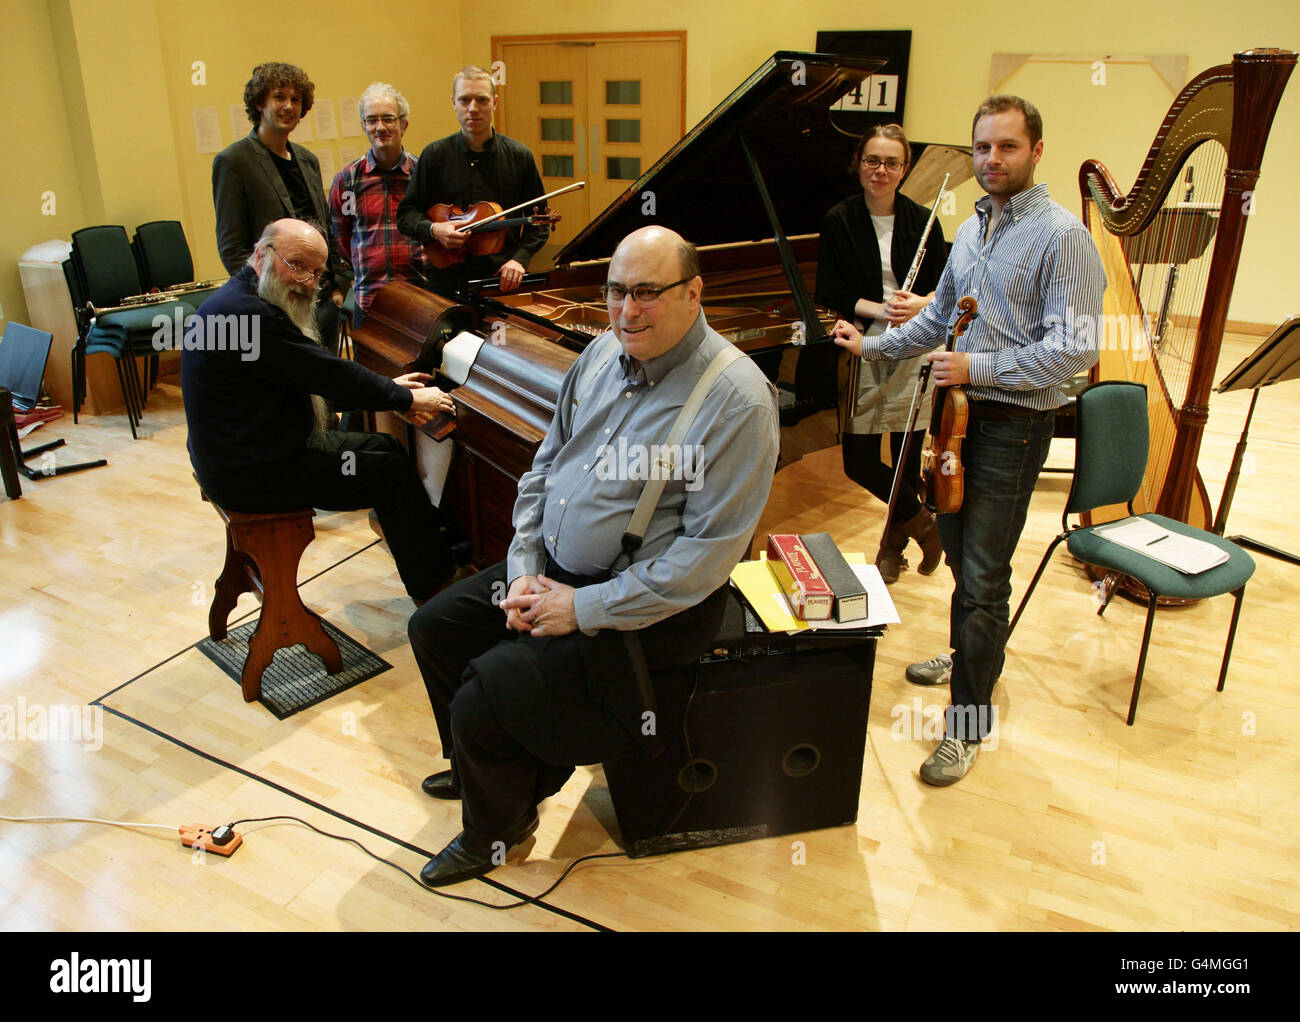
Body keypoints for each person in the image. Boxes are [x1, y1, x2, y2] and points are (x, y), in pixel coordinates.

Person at [407, 225, 780, 887]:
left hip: (648, 606)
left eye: (646, 293)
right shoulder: (603, 352)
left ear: (694, 294)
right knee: (435, 629)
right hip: (555, 572)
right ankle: (482, 771)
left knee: (485, 695)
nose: (626, 310)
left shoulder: (738, 401)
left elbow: (707, 558)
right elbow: (545, 464)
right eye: (615, 291)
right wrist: (524, 571)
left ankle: (500, 830)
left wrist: (583, 608)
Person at [831, 96, 1104, 786]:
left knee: (983, 576)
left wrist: (976, 366)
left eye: (1007, 147)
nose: (991, 160)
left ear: (1036, 151)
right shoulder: (975, 229)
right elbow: (940, 322)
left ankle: (970, 721)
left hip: (1012, 426)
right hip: (955, 418)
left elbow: (1075, 349)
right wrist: (873, 346)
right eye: (982, 148)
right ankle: (969, 650)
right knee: (957, 551)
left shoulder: (1061, 235)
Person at [183, 218, 466, 603]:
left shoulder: (237, 299)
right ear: (261, 254)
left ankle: (426, 549)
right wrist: (406, 399)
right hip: (254, 474)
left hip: (239, 455)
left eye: (316, 272)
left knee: (386, 449)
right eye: (297, 264)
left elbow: (308, 377)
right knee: (390, 474)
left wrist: (389, 390)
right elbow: (327, 374)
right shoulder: (251, 316)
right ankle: (435, 590)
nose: (307, 280)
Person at [815, 124, 947, 584]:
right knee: (861, 460)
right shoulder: (840, 219)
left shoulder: (923, 218)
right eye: (873, 160)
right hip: (865, 343)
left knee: (907, 458)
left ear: (905, 169)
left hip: (919, 341)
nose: (881, 170)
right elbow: (829, 288)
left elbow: (946, 290)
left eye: (892, 162)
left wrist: (920, 304)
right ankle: (926, 527)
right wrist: (881, 308)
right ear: (860, 163)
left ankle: (891, 551)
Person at [213, 62, 348, 352]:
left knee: (328, 388)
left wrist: (337, 286)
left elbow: (325, 227)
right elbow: (232, 247)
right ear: (260, 102)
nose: (289, 106)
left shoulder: (308, 160)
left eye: (296, 99)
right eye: (279, 97)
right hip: (273, 306)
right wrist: (263, 301)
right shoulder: (233, 161)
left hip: (320, 299)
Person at [396, 66, 547, 295]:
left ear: (495, 102)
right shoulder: (434, 155)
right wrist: (435, 230)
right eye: (465, 100)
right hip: (445, 283)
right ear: (453, 103)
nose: (473, 108)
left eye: (482, 100)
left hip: (501, 280)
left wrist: (520, 259)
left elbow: (541, 220)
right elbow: (406, 215)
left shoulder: (519, 156)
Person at [328, 82, 428, 325]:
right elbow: (341, 237)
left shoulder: (423, 175)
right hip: (370, 301)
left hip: (422, 298)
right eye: (371, 120)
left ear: (403, 125)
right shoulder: (348, 180)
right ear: (364, 126)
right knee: (370, 365)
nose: (380, 127)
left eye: (388, 119)